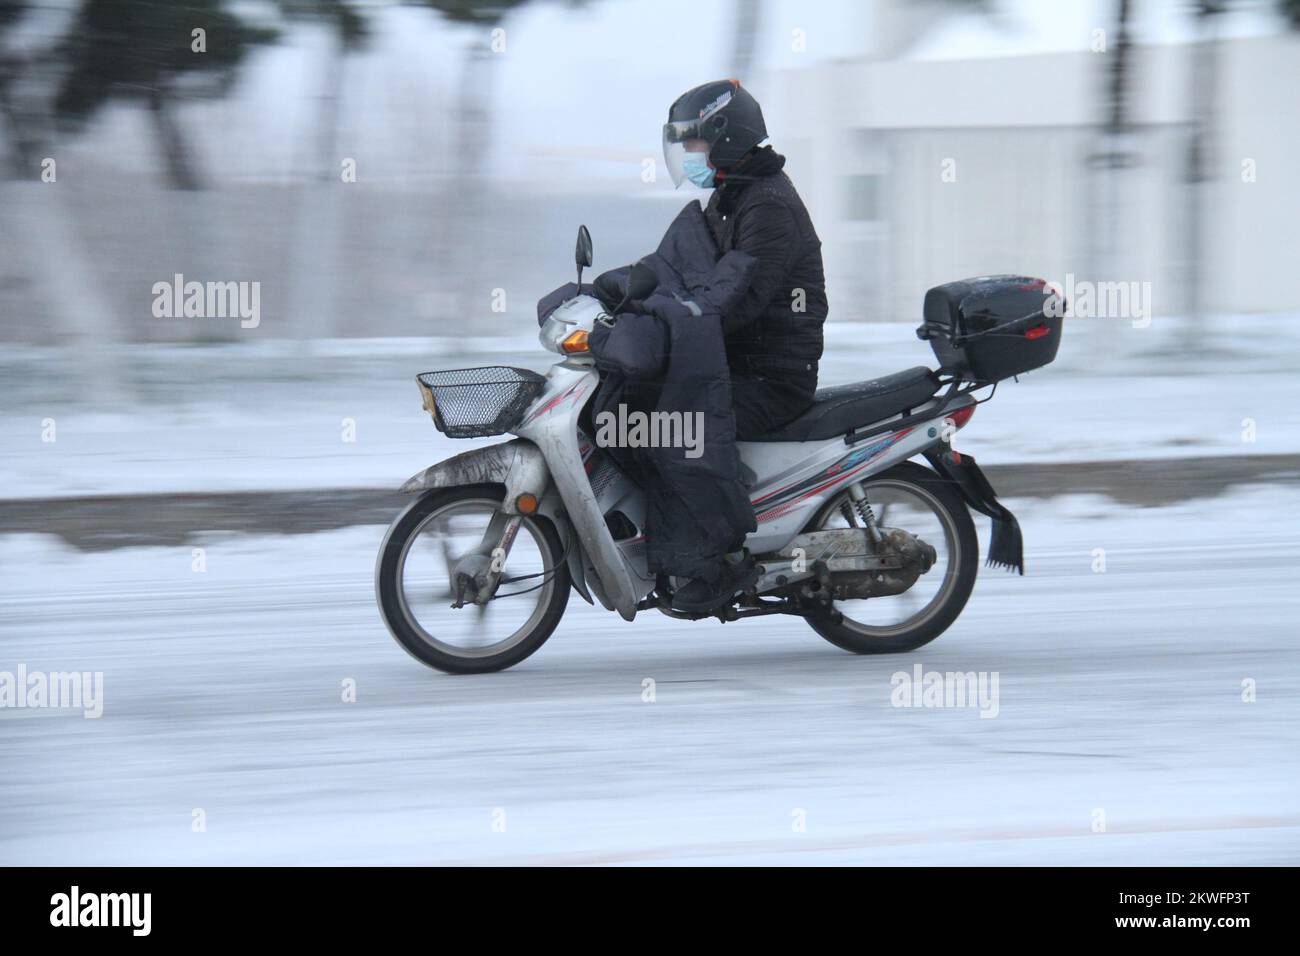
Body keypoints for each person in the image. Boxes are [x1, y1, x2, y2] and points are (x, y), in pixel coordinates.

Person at [661, 79, 829, 611]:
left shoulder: (768, 205)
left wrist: (676, 325)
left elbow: (741, 299)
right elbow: (692, 272)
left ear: (725, 137)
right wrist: (635, 297)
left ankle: (721, 558)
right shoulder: (732, 195)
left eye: (695, 144)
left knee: (678, 429)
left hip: (774, 375)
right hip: (740, 361)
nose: (690, 156)